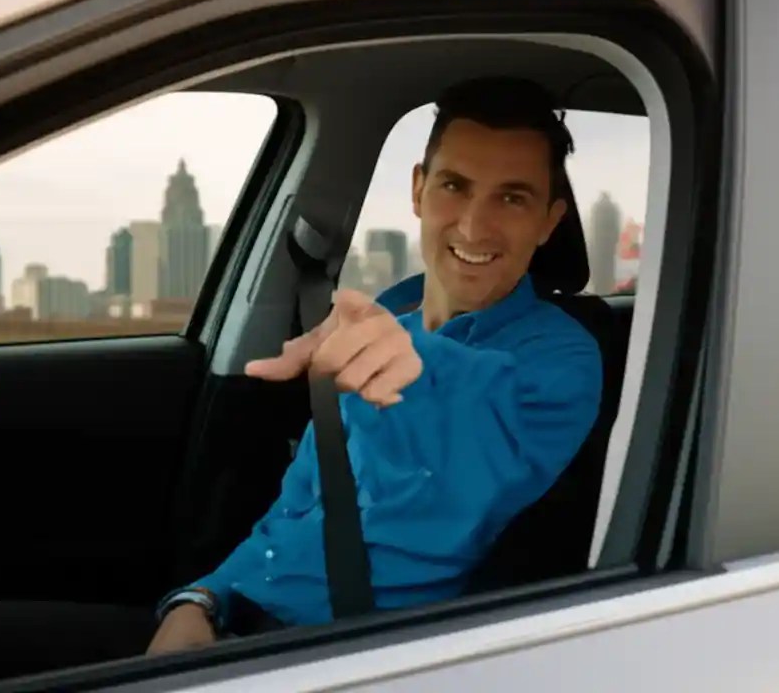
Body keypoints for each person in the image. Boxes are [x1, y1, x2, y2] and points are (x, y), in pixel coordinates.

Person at [147, 76, 604, 652]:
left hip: (351, 657)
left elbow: (486, 412)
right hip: (237, 625)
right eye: (453, 186)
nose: (472, 226)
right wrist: (202, 600)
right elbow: (296, 508)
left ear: (548, 220)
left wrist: (414, 361)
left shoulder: (564, 358)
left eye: (512, 198)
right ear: (417, 190)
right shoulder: (374, 328)